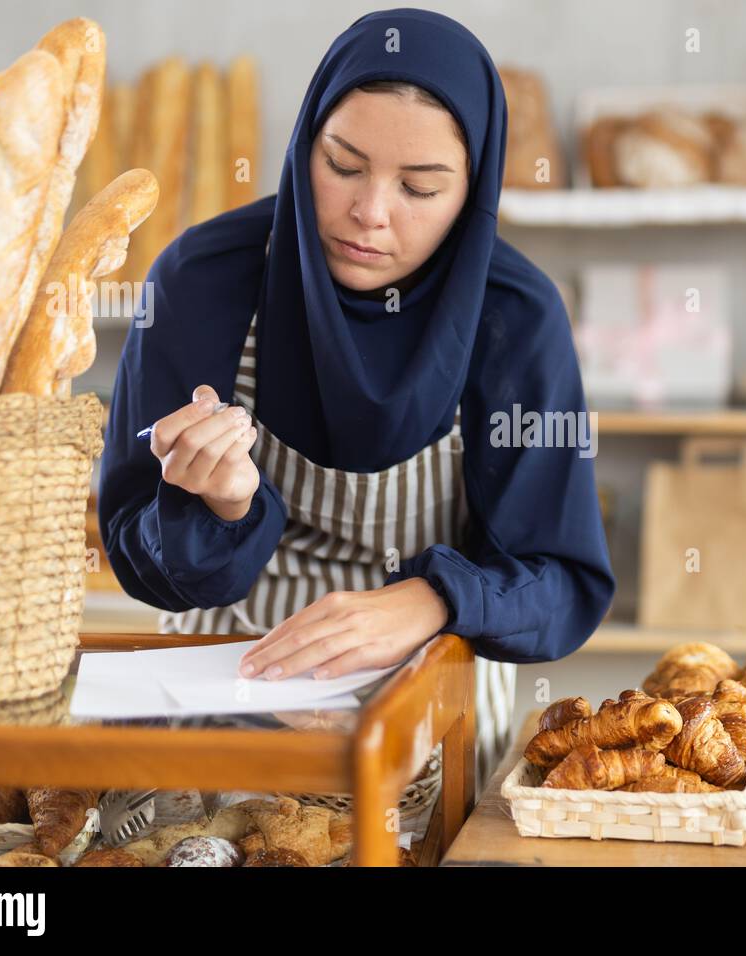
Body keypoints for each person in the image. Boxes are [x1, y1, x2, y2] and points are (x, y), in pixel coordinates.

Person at [98, 8, 615, 785]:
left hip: (427, 726)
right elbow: (134, 545)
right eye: (342, 165)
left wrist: (435, 598)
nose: (371, 213)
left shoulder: (515, 318)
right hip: (215, 704)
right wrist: (225, 508)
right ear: (306, 140)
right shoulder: (199, 282)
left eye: (420, 187)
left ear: (474, 189)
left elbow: (563, 581)